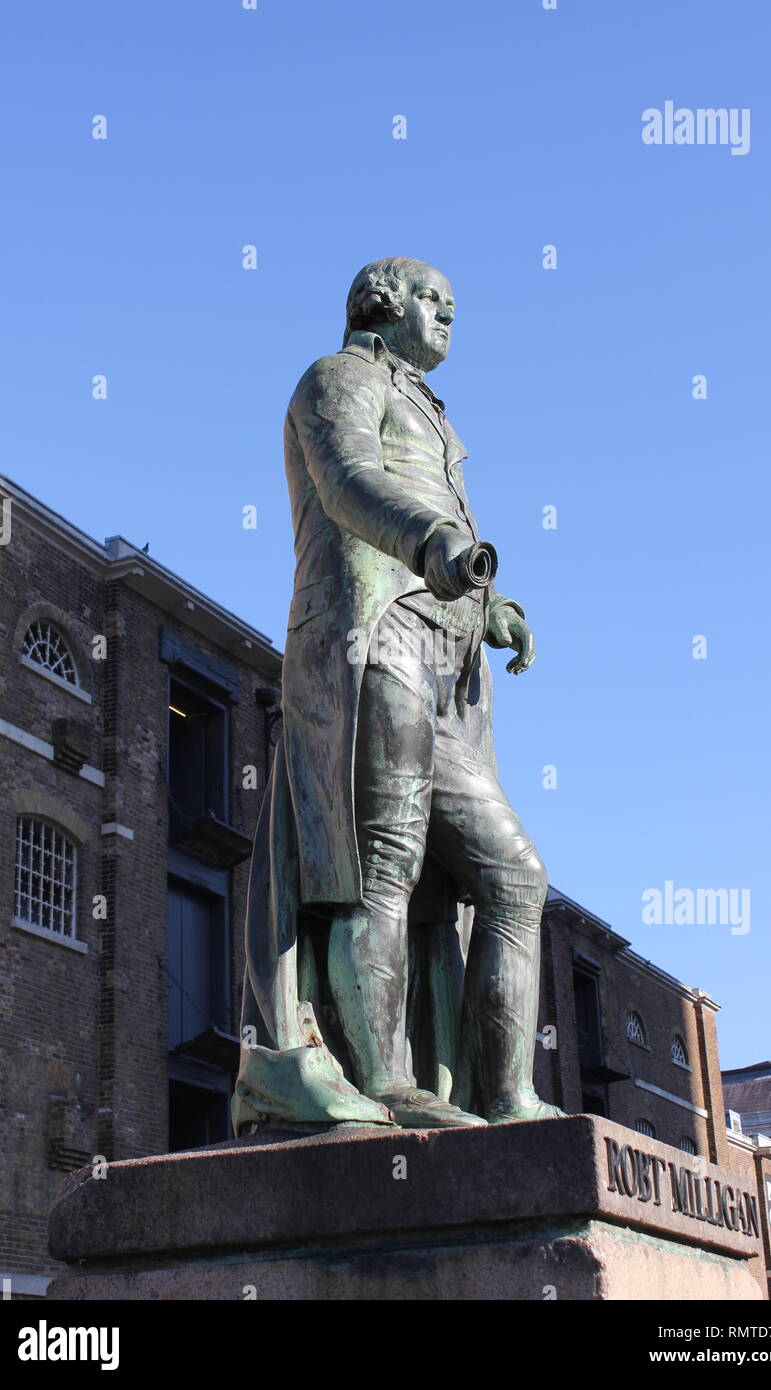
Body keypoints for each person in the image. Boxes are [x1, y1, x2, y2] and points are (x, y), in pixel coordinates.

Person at [232, 258, 561, 1132]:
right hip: (374, 638)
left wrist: (490, 605)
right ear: (380, 301)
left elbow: (435, 516)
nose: (448, 312)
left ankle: (508, 1096)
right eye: (432, 298)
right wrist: (436, 541)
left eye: (454, 302)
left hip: (449, 674)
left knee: (515, 878)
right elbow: (347, 484)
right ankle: (386, 1082)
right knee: (383, 862)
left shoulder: (431, 412)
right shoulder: (336, 378)